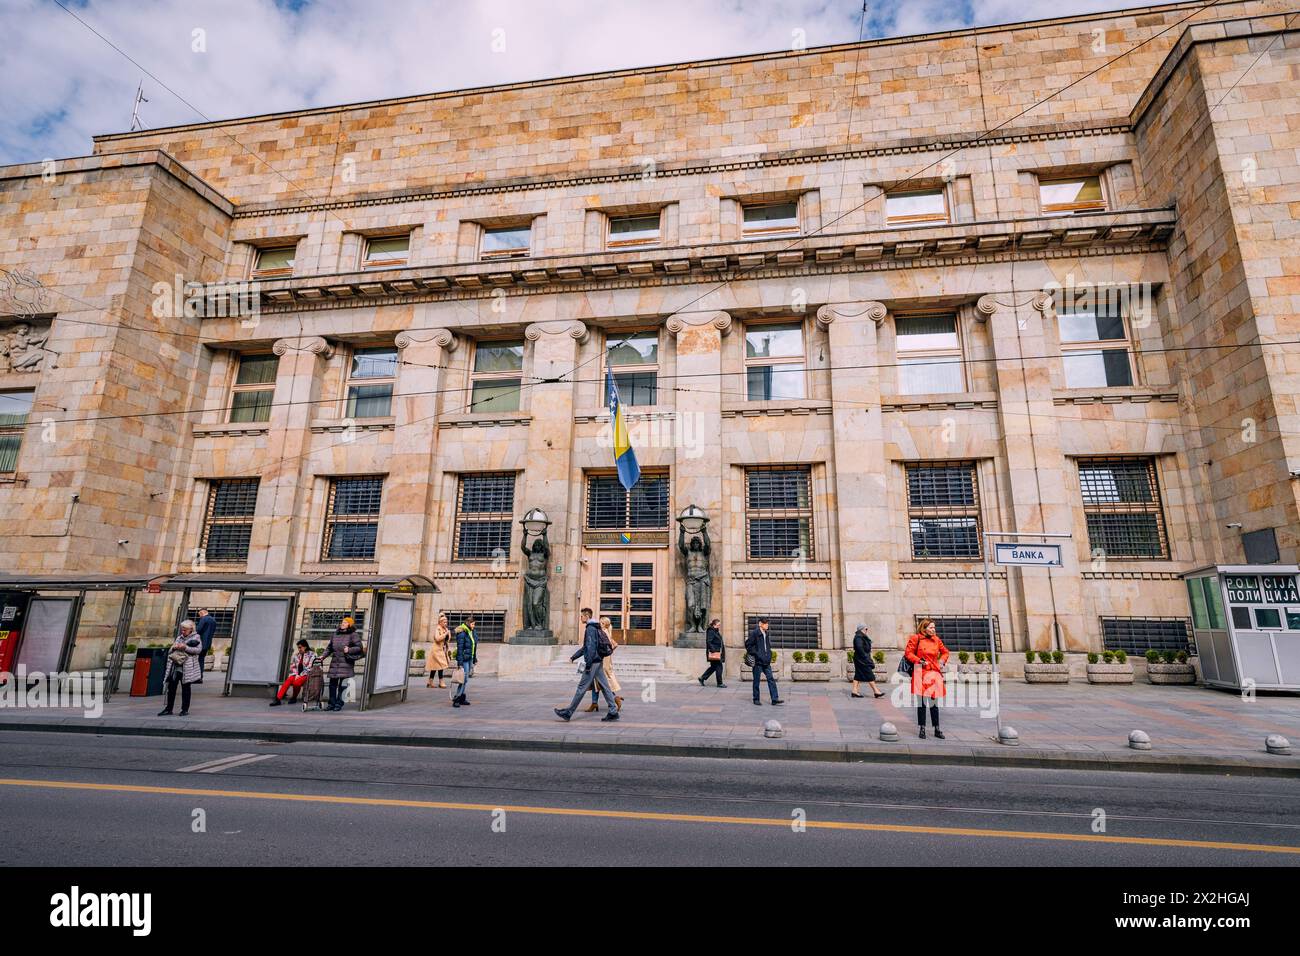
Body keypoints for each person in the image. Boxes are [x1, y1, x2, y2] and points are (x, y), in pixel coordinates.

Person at [555, 608, 619, 722]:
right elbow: (586, 647)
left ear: (586, 616)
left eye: (581, 616)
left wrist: (588, 665)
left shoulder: (590, 628)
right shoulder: (595, 627)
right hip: (598, 661)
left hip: (593, 662)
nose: (580, 618)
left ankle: (568, 712)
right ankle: (613, 711)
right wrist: (573, 657)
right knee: (605, 687)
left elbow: (590, 648)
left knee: (581, 687)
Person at [905, 618, 950, 739]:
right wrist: (919, 660)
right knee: (922, 703)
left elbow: (945, 652)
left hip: (934, 673)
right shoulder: (916, 638)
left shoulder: (936, 640)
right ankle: (922, 728)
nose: (933, 630)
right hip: (920, 672)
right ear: (924, 628)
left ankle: (937, 728)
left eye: (934, 627)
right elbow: (908, 653)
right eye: (931, 627)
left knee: (934, 703)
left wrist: (941, 661)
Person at [157, 619, 202, 717]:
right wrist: (174, 647)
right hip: (175, 666)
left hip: (187, 667)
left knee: (186, 688)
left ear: (191, 629)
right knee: (171, 688)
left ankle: (184, 709)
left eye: (185, 630)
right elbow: (170, 649)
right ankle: (168, 709)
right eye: (182, 629)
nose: (183, 631)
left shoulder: (196, 637)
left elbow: (198, 650)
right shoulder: (179, 638)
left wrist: (185, 647)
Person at [321, 616, 364, 712]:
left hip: (346, 664)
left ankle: (339, 703)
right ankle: (331, 704)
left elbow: (359, 647)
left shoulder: (353, 635)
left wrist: (349, 649)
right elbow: (329, 648)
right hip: (335, 663)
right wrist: (322, 656)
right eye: (342, 622)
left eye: (345, 622)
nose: (342, 623)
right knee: (332, 685)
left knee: (342, 685)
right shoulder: (335, 634)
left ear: (349, 624)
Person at [585, 616, 624, 713]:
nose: (599, 624)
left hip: (602, 660)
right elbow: (615, 645)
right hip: (604, 659)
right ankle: (594, 703)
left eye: (601, 623)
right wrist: (609, 653)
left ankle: (614, 698)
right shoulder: (607, 632)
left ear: (605, 625)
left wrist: (604, 654)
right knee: (596, 681)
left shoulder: (603, 632)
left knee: (601, 682)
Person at [744, 616, 783, 706]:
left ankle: (774, 699)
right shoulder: (755, 633)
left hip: (766, 661)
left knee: (771, 679)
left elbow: (767, 646)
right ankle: (756, 699)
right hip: (758, 662)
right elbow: (748, 644)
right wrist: (757, 653)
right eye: (765, 623)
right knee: (756, 681)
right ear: (760, 624)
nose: (767, 625)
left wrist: (769, 654)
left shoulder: (766, 633)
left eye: (767, 623)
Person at [270, 639, 313, 706]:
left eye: (300, 647)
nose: (299, 649)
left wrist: (300, 675)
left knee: (296, 683)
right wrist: (296, 674)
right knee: (288, 680)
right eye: (298, 647)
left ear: (305, 647)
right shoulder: (296, 655)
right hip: (297, 674)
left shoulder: (312, 655)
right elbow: (293, 666)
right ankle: (278, 699)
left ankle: (294, 697)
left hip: (306, 674)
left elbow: (310, 667)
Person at [851, 623, 885, 699]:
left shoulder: (861, 637)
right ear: (862, 629)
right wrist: (865, 657)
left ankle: (854, 691)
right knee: (869, 674)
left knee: (858, 675)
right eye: (866, 629)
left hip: (860, 658)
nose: (867, 630)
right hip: (862, 659)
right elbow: (859, 648)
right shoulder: (859, 637)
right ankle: (876, 691)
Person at [451, 615, 477, 708]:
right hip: (464, 659)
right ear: (469, 623)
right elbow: (460, 649)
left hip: (470, 658)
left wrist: (474, 658)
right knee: (463, 679)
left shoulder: (471, 631)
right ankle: (457, 698)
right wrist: (460, 663)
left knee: (465, 680)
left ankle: (461, 697)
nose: (474, 626)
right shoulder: (462, 633)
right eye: (473, 624)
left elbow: (474, 646)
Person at [698, 618, 727, 687]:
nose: (719, 626)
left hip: (717, 652)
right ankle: (719, 683)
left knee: (713, 667)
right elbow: (709, 642)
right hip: (714, 653)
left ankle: (702, 678)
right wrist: (713, 651)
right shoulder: (711, 631)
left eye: (719, 625)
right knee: (719, 667)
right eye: (718, 625)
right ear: (714, 625)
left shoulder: (715, 631)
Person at [426, 613, 451, 689]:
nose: (446, 623)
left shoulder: (445, 629)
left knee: (435, 666)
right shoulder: (438, 628)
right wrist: (445, 634)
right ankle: (441, 682)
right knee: (441, 665)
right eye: (444, 622)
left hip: (441, 650)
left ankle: (430, 682)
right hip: (436, 650)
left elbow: (447, 640)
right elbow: (437, 639)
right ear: (440, 622)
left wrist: (448, 634)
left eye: (446, 622)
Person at [193, 608, 217, 683]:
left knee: (197, 660)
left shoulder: (204, 619)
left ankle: (197, 677)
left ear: (202, 612)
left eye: (199, 614)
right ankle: (199, 677)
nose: (199, 616)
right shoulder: (213, 620)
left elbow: (198, 630)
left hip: (200, 643)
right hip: (207, 643)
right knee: (201, 659)